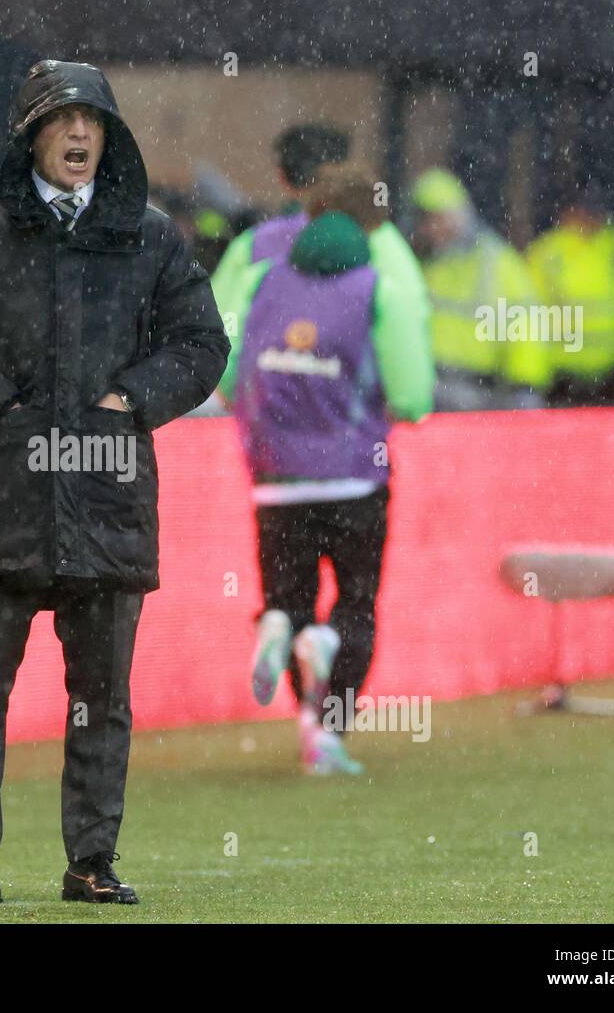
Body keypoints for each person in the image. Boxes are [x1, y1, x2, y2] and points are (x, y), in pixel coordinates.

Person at [0, 59, 228, 904]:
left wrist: (130, 400)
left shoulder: (151, 237)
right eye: (62, 119)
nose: (80, 134)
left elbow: (201, 345)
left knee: (103, 702)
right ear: (30, 134)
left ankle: (92, 862)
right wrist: (2, 411)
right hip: (0, 498)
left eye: (93, 121)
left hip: (105, 501)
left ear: (109, 138)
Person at [220, 166, 433, 775]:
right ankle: (330, 723)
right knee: (357, 602)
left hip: (273, 477)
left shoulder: (262, 280)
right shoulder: (377, 288)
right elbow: (413, 394)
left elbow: (227, 365)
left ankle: (284, 628)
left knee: (289, 595)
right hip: (353, 476)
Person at [212, 125, 432, 406]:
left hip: (267, 419)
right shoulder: (382, 240)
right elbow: (410, 370)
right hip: (354, 417)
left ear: (282, 178)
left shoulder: (253, 247)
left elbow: (218, 342)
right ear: (347, 172)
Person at [408, 168, 549, 409]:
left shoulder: (497, 263)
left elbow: (526, 323)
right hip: (431, 391)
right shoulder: (421, 263)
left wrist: (524, 387)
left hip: (480, 395)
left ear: (456, 217)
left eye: (435, 219)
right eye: (424, 220)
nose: (429, 229)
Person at [526, 184, 614, 405]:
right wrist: (539, 368)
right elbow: (529, 312)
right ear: (567, 211)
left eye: (592, 210)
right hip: (562, 376)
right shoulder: (546, 255)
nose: (586, 217)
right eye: (581, 209)